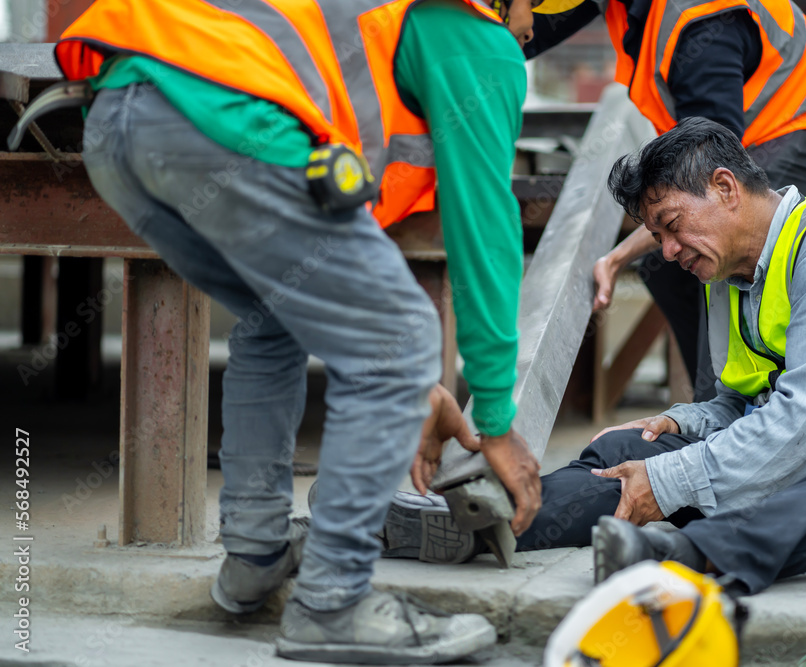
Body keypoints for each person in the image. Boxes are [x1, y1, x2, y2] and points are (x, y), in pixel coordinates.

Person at [54, 0, 550, 662]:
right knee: (402, 332)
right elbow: (485, 231)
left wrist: (413, 390)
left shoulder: (375, 23)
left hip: (117, 120)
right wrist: (494, 417)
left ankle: (255, 552)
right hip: (219, 112)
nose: (534, 28)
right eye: (536, 8)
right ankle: (333, 603)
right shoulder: (475, 36)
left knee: (275, 313)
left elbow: (331, 290)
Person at [388, 117, 806, 598]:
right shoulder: (727, 278)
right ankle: (485, 523)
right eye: (658, 237)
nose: (670, 251)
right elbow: (740, 402)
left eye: (674, 225)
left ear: (726, 187)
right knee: (634, 451)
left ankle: (693, 556)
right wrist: (683, 424)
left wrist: (676, 477)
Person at [527, 0, 806, 399]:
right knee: (665, 261)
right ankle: (712, 405)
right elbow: (527, 29)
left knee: (719, 247)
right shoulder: (627, 10)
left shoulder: (700, 21)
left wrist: (619, 254)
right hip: (750, 138)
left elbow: (710, 179)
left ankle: (729, 416)